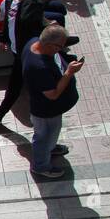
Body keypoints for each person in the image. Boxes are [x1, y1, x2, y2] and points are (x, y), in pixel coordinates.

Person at [23, 25, 80, 179]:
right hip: (45, 111)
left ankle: (51, 148)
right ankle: (40, 166)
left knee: (52, 132)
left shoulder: (33, 42)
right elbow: (53, 94)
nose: (61, 49)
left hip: (51, 110)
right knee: (43, 136)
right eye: (59, 46)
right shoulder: (39, 67)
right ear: (48, 44)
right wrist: (68, 73)